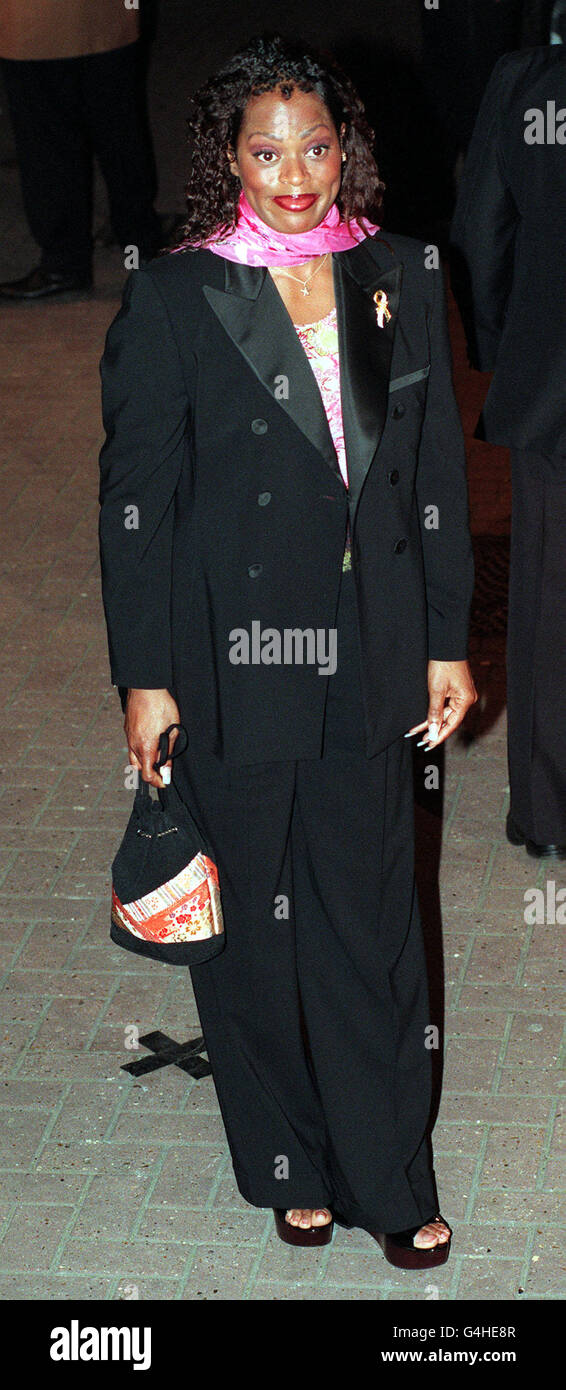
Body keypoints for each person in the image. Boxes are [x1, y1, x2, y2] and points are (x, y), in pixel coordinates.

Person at [98, 34, 476, 1267]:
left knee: (368, 923)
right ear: (229, 158)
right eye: (266, 153)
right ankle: (286, 1160)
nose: (296, 175)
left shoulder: (398, 271)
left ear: (342, 145)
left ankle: (387, 1174)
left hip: (368, 650)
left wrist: (443, 638)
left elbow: (431, 472)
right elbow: (136, 499)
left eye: (314, 146)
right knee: (255, 930)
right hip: (230, 657)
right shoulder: (177, 295)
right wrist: (145, 676)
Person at [450, 45, 566, 857]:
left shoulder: (531, 83)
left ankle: (552, 814)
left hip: (555, 384)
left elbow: (481, 231)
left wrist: (505, 350)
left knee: (551, 600)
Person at [0, 0, 161, 298]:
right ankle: (138, 239)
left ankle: (65, 262)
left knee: (48, 144)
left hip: (37, 23)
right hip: (110, 20)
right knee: (118, 127)